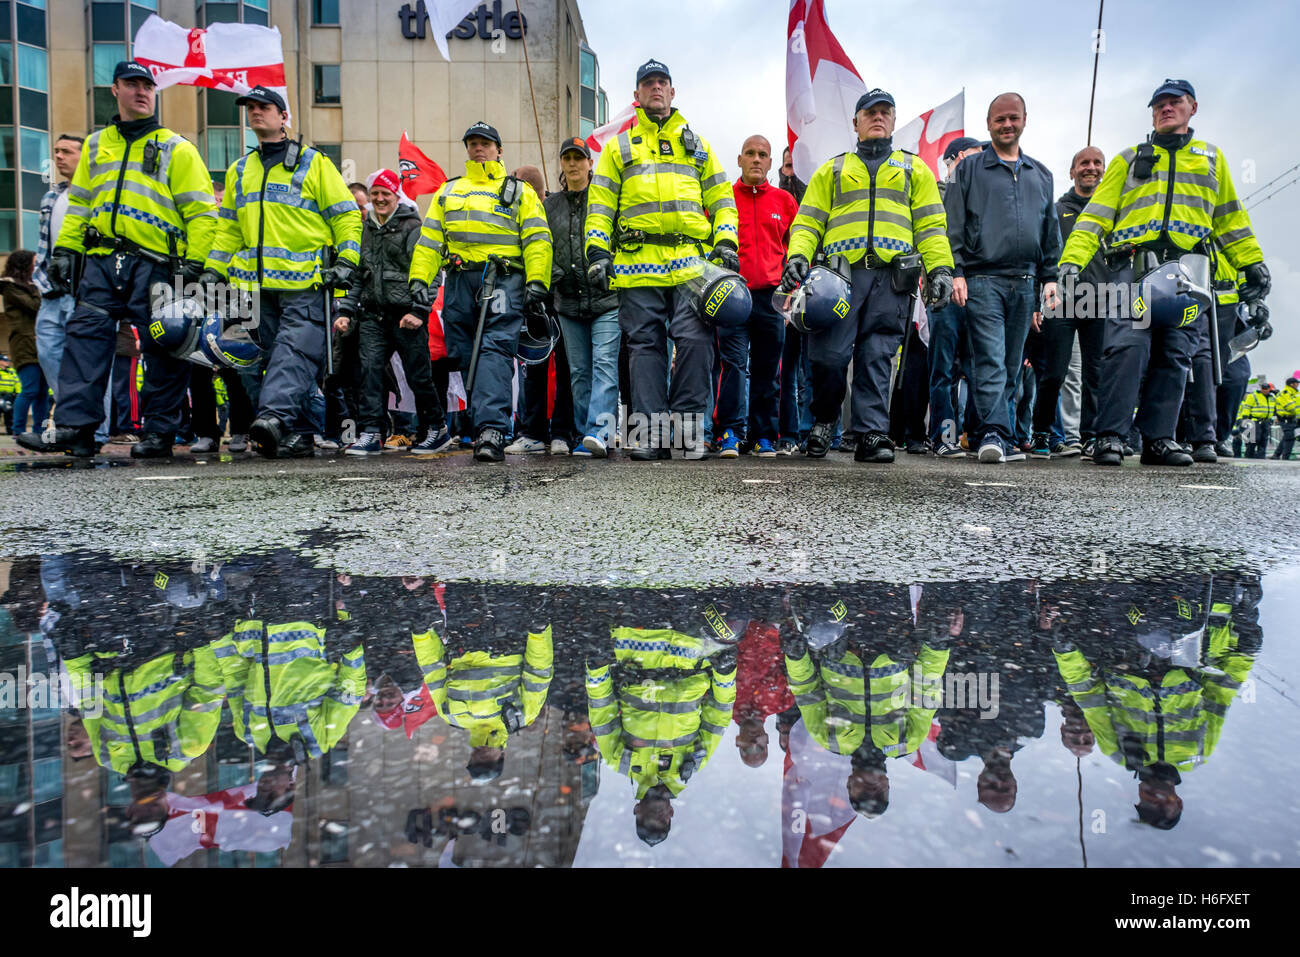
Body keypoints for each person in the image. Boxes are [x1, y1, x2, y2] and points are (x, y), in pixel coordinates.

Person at [1059, 79, 1269, 467]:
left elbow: (1230, 220)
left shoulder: (1211, 159)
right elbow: (1095, 217)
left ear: (1193, 107)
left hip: (1188, 273)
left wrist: (1251, 263)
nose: (1166, 108)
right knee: (1127, 348)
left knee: (1176, 354)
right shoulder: (1128, 158)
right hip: (1133, 268)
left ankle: (1158, 439)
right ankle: (1110, 436)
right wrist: (1071, 261)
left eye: (1175, 102)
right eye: (1159, 104)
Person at [17, 62, 217, 459]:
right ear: (115, 89)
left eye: (148, 85)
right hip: (102, 261)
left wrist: (194, 264)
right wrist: (65, 251)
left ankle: (160, 432)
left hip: (159, 263)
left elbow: (201, 212)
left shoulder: (177, 148)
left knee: (165, 349)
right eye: (132, 84)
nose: (142, 92)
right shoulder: (95, 145)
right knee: (84, 341)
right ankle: (77, 429)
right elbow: (81, 205)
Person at [783, 88, 954, 463]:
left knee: (878, 356)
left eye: (885, 113)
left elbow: (931, 225)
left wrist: (940, 268)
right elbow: (808, 220)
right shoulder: (834, 168)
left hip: (891, 282)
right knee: (829, 356)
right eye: (870, 112)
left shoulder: (914, 170)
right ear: (855, 122)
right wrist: (798, 255)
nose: (878, 117)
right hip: (838, 280)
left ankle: (871, 434)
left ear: (893, 121)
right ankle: (825, 419)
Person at [585, 59, 739, 460]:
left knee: (695, 342)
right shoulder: (619, 148)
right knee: (644, 347)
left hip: (691, 265)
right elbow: (600, 206)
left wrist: (725, 244)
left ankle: (688, 435)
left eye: (662, 83)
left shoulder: (699, 145)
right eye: (648, 83)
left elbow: (723, 200)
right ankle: (649, 436)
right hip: (638, 264)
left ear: (673, 92)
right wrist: (598, 252)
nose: (656, 88)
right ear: (636, 95)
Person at [202, 85, 362, 459]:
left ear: (283, 116)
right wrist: (212, 269)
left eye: (265, 107)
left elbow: (346, 216)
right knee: (273, 360)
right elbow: (228, 228)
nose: (256, 112)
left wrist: (346, 262)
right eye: (251, 107)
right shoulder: (241, 170)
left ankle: (273, 419)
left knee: (292, 354)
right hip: (254, 289)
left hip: (305, 284)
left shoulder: (314, 163)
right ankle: (299, 433)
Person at [408, 121, 553, 462]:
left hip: (502, 281)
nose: (478, 148)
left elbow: (537, 240)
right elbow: (430, 241)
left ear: (498, 150)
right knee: (465, 355)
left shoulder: (519, 192)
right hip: (460, 282)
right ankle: (484, 425)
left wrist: (536, 283)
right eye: (473, 142)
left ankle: (491, 431)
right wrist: (419, 277)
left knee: (493, 351)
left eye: (485, 143)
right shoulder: (449, 191)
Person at [946, 92, 1062, 464]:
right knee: (991, 360)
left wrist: (1050, 277)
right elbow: (954, 223)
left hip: (1026, 283)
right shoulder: (970, 169)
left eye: (1013, 118)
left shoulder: (1041, 175)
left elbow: (1050, 231)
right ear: (988, 124)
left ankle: (995, 433)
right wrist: (957, 271)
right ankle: (995, 433)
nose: (1007, 124)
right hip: (982, 279)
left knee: (1012, 364)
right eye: (999, 120)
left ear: (1024, 119)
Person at [337, 168, 451, 456]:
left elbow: (431, 269)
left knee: (418, 377)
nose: (378, 198)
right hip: (373, 316)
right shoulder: (365, 230)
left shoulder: (413, 227)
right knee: (369, 374)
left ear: (395, 195)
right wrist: (347, 312)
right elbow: (359, 277)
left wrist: (420, 310)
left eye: (384, 193)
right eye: (374, 193)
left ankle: (437, 429)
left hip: (406, 317)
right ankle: (371, 433)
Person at [717, 134, 798, 458]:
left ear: (769, 162)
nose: (755, 159)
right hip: (733, 296)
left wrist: (792, 291)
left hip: (771, 297)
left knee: (768, 370)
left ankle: (764, 435)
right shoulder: (723, 198)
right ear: (739, 159)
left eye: (762, 154)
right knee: (734, 366)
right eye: (749, 153)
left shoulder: (784, 202)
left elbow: (796, 249)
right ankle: (730, 433)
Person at [545, 137, 621, 457]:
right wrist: (551, 276)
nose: (574, 164)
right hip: (568, 301)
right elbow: (542, 248)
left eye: (580, 158)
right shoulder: (549, 206)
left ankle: (599, 432)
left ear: (591, 163)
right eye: (568, 158)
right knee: (578, 373)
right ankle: (582, 433)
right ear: (562, 164)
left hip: (606, 299)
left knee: (604, 365)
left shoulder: (605, 201)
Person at [1032, 146, 1107, 459]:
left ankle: (1091, 436)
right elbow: (1042, 255)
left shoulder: (1113, 212)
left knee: (1096, 373)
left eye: (1097, 163)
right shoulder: (1054, 209)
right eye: (1084, 163)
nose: (1090, 168)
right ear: (1072, 171)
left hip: (1102, 299)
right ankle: (1041, 433)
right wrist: (1038, 301)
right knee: (1054, 373)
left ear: (1104, 170)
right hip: (1060, 301)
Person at [508, 163, 576, 455]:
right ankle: (532, 432)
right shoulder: (516, 213)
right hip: (530, 299)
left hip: (558, 297)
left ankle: (562, 431)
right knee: (532, 366)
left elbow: (561, 250)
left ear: (531, 186)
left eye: (516, 182)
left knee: (565, 367)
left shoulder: (551, 209)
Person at [926, 136, 983, 456]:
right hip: (943, 295)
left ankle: (974, 435)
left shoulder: (985, 197)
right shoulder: (933, 193)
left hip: (979, 293)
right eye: (976, 156)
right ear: (960, 157)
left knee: (978, 369)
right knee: (943, 370)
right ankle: (944, 436)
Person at [32, 133, 84, 419]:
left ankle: (93, 427)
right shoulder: (51, 196)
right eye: (56, 151)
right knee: (48, 353)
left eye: (66, 151)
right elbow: (45, 245)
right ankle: (69, 416)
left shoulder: (97, 195)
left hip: (84, 291)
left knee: (88, 360)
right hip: (51, 291)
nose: (59, 156)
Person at [0, 251, 49, 436]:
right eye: (34, 263)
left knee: (43, 393)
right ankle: (18, 431)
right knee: (30, 389)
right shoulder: (11, 287)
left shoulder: (31, 285)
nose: (37, 267)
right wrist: (39, 289)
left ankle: (40, 432)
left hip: (40, 343)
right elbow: (34, 305)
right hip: (24, 345)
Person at [1238, 381, 1274, 458]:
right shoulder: (1253, 396)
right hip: (1255, 421)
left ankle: (1261, 457)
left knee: (1264, 440)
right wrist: (1245, 418)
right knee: (1254, 440)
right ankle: (1249, 456)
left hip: (1266, 421)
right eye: (1263, 388)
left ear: (1269, 389)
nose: (1265, 390)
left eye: (1266, 389)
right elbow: (1247, 407)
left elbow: (1274, 407)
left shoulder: (1272, 397)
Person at [1273, 377, 1299, 460]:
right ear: (1291, 384)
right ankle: (1285, 457)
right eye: (1296, 383)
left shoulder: (1296, 393)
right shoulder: (1284, 393)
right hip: (1285, 419)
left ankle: (1276, 455)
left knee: (1287, 437)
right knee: (1290, 437)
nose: (1298, 384)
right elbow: (1291, 407)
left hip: (1293, 419)